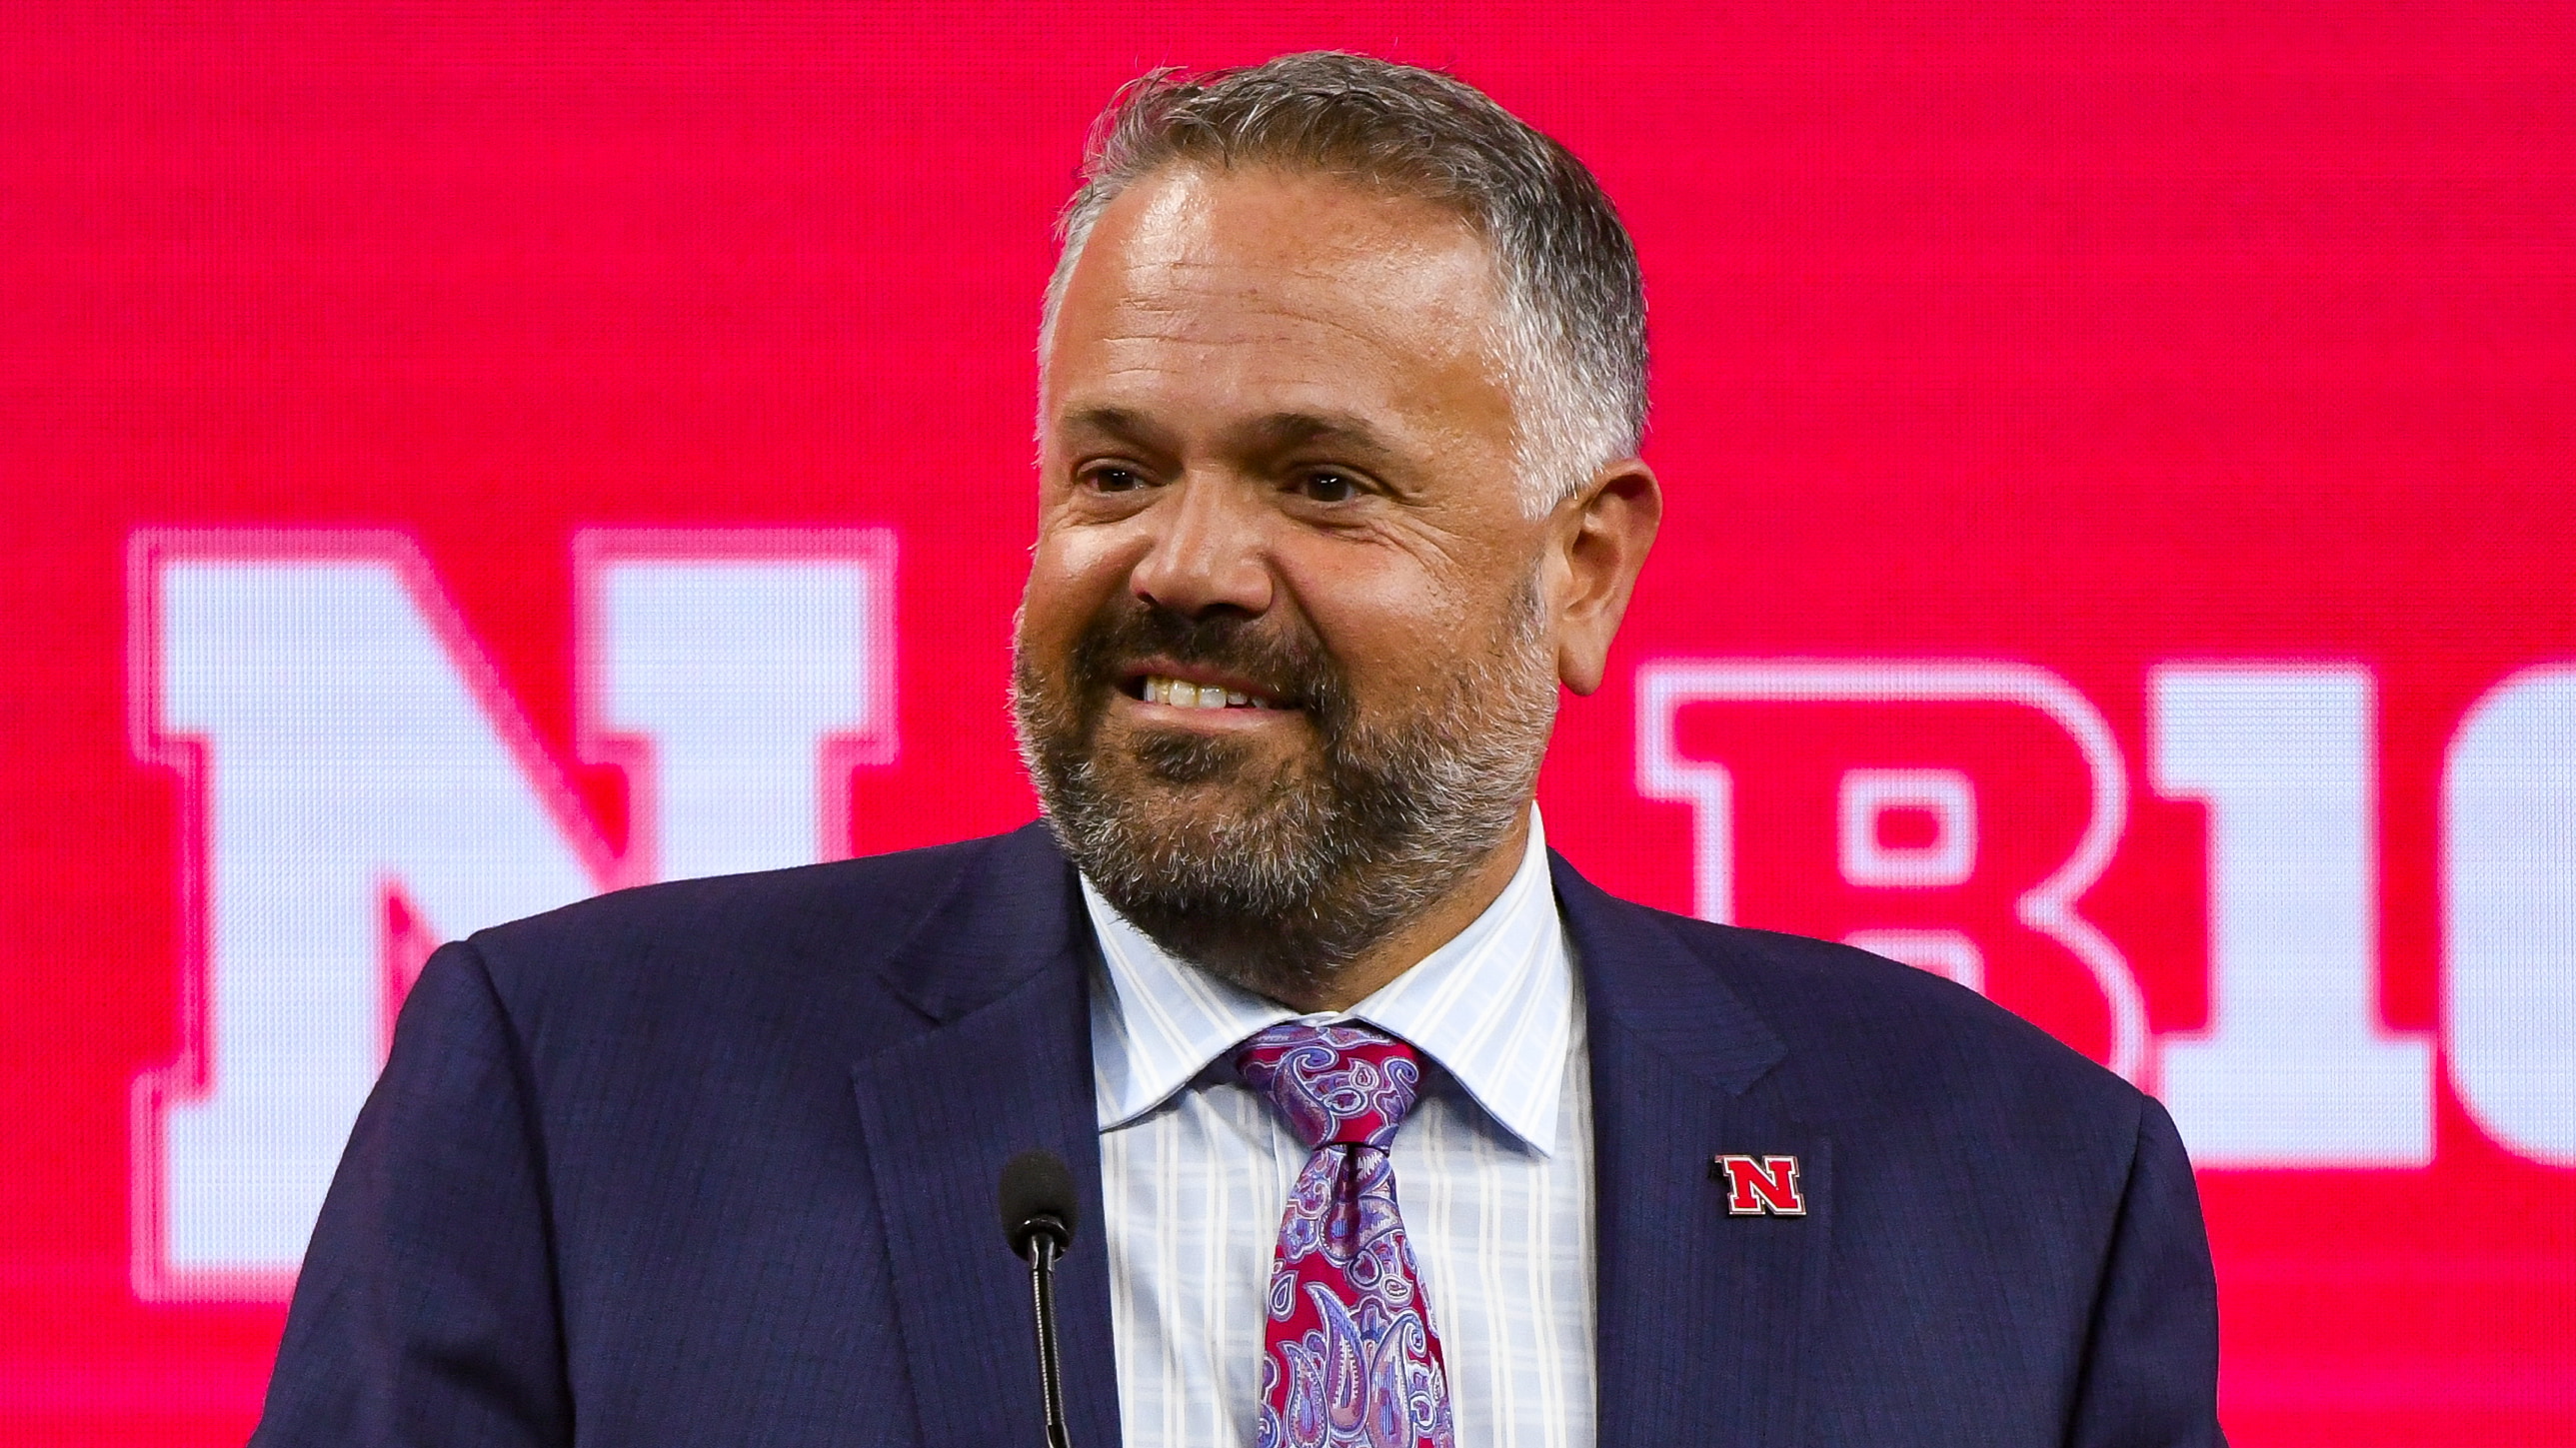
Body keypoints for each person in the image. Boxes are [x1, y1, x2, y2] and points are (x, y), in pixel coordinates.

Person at [253, 52, 2222, 1448]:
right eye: (1114, 470)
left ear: (1582, 568)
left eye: (1320, 480)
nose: (1183, 567)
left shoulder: (2019, 1189)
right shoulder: (583, 1099)